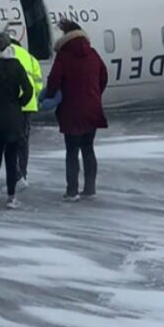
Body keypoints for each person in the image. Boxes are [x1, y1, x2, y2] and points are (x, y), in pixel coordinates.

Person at [45, 20, 108, 201]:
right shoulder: (93, 54)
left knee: (72, 150)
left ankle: (72, 191)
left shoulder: (64, 57)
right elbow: (103, 76)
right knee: (88, 148)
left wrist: (50, 95)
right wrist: (95, 94)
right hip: (92, 108)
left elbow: (54, 81)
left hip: (71, 110)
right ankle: (90, 188)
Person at [0, 33, 33, 209]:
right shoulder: (16, 66)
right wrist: (18, 104)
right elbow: (28, 89)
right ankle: (11, 198)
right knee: (11, 159)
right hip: (12, 118)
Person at [11, 38, 43, 189]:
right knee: (23, 142)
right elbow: (38, 84)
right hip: (29, 104)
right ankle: (23, 174)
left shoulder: (9, 56)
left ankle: (15, 176)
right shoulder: (31, 58)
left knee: (10, 143)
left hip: (13, 105)